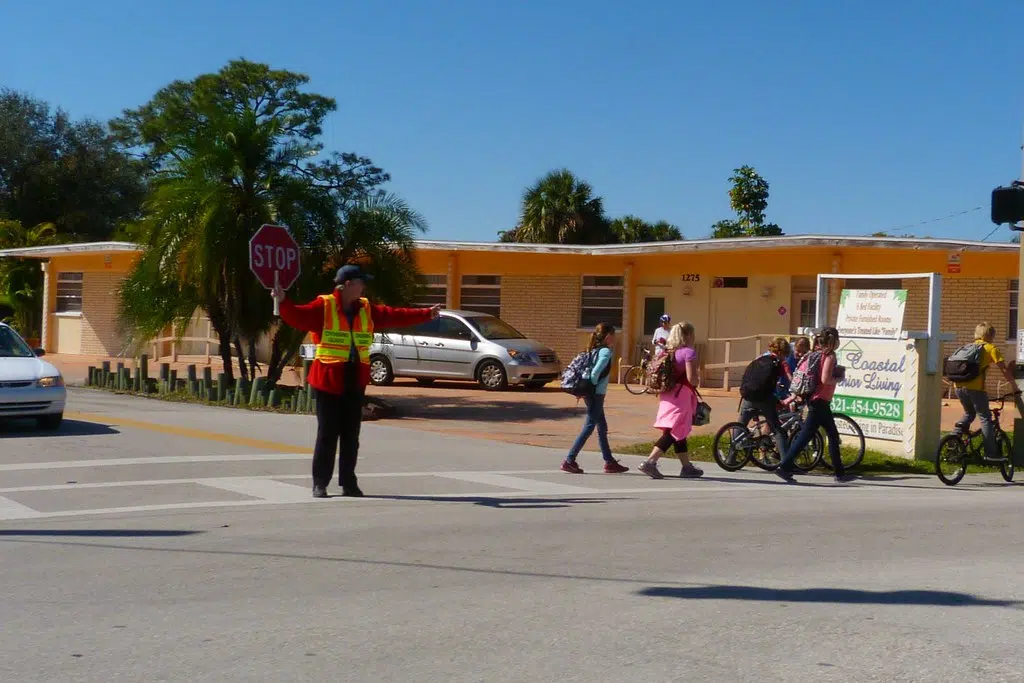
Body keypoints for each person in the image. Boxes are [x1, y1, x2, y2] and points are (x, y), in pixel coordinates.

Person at [273, 264, 440, 498]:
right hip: (329, 378)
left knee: (351, 435)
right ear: (348, 284)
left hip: (355, 378)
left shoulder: (365, 309)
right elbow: (297, 316)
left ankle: (349, 483)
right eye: (361, 282)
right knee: (327, 434)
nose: (364, 287)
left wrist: (425, 314)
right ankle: (320, 483)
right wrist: (283, 301)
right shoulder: (325, 305)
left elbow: (394, 314)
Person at [776, 326, 849, 483]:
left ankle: (840, 472)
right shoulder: (829, 357)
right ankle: (785, 467)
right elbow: (825, 379)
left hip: (818, 400)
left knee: (830, 435)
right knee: (807, 436)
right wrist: (839, 378)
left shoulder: (818, 355)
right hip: (820, 401)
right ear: (834, 341)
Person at [561, 323, 630, 475]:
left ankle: (609, 461)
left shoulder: (593, 350)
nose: (614, 338)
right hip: (596, 394)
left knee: (602, 427)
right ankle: (569, 460)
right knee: (590, 426)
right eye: (613, 335)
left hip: (592, 393)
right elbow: (595, 374)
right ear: (608, 336)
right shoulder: (605, 352)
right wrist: (590, 389)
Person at [639, 321, 704, 479]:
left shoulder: (667, 352)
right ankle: (650, 461)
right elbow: (692, 379)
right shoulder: (688, 352)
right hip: (681, 395)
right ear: (688, 335)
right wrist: (697, 377)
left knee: (675, 430)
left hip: (667, 393)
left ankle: (686, 467)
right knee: (675, 429)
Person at [951, 322, 1020, 459]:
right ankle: (991, 454)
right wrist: (1014, 386)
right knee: (985, 418)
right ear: (991, 335)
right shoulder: (990, 348)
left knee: (969, 414)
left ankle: (952, 441)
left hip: (958, 387)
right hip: (976, 389)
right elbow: (1004, 369)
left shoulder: (966, 347)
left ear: (976, 334)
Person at [739, 337, 792, 458]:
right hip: (764, 399)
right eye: (784, 354)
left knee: (741, 425)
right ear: (780, 352)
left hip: (748, 396)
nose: (785, 357)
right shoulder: (777, 363)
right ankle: (786, 462)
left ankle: (731, 457)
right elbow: (782, 382)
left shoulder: (760, 358)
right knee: (778, 430)